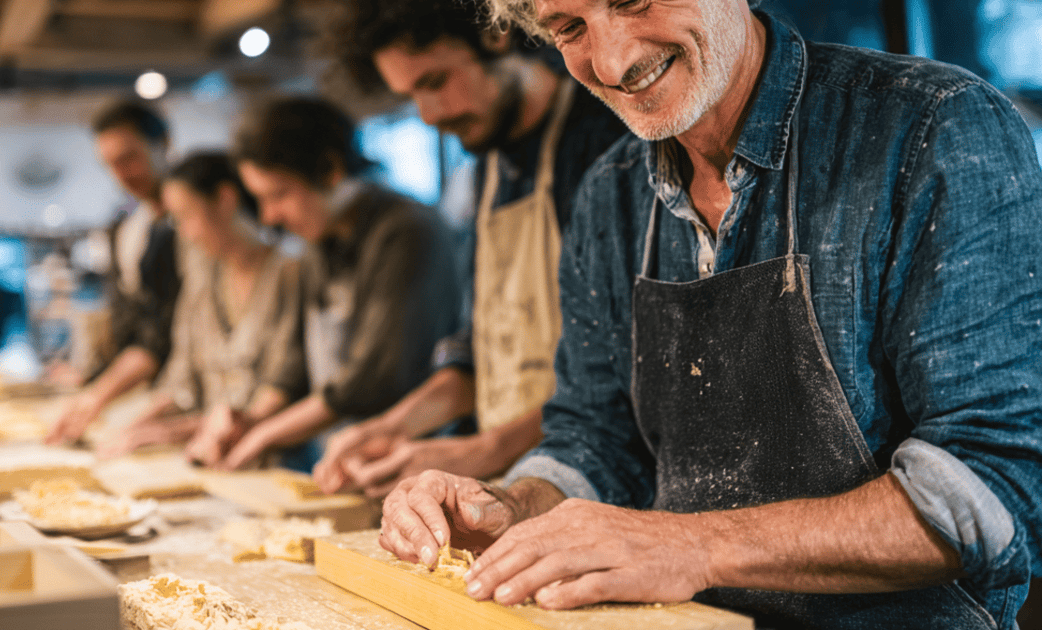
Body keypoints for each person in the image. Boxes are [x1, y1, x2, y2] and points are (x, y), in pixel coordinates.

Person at [378, 0, 1042, 628]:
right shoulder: (610, 195)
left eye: (634, 0)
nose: (612, 63)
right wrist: (509, 508)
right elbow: (597, 441)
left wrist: (693, 546)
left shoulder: (933, 128)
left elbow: (998, 483)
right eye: (570, 27)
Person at [312, 0, 627, 498]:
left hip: (593, 487)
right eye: (411, 95)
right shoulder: (487, 166)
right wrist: (391, 428)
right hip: (514, 479)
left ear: (495, 36)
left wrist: (484, 450)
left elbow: (621, 371)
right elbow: (478, 351)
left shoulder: (606, 145)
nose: (429, 115)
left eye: (435, 81)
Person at [209, 96, 461, 473]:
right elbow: (294, 363)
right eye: (260, 199)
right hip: (345, 459)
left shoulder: (407, 230)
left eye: (278, 194)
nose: (269, 216)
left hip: (419, 460)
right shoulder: (317, 241)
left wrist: (266, 435)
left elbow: (372, 379)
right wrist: (251, 420)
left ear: (330, 169)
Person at [95, 152, 303, 464]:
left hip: (276, 463)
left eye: (186, 216)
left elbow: (280, 389)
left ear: (225, 199)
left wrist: (173, 431)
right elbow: (181, 382)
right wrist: (135, 426)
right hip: (210, 459)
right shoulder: (203, 280)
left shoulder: (290, 272)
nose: (184, 233)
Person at [46, 102, 181, 445]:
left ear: (164, 143)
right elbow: (130, 327)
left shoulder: (189, 227)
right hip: (151, 399)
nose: (121, 173)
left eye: (130, 157)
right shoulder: (127, 228)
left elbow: (161, 333)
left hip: (191, 402)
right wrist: (92, 380)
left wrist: (97, 395)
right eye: (110, 164)